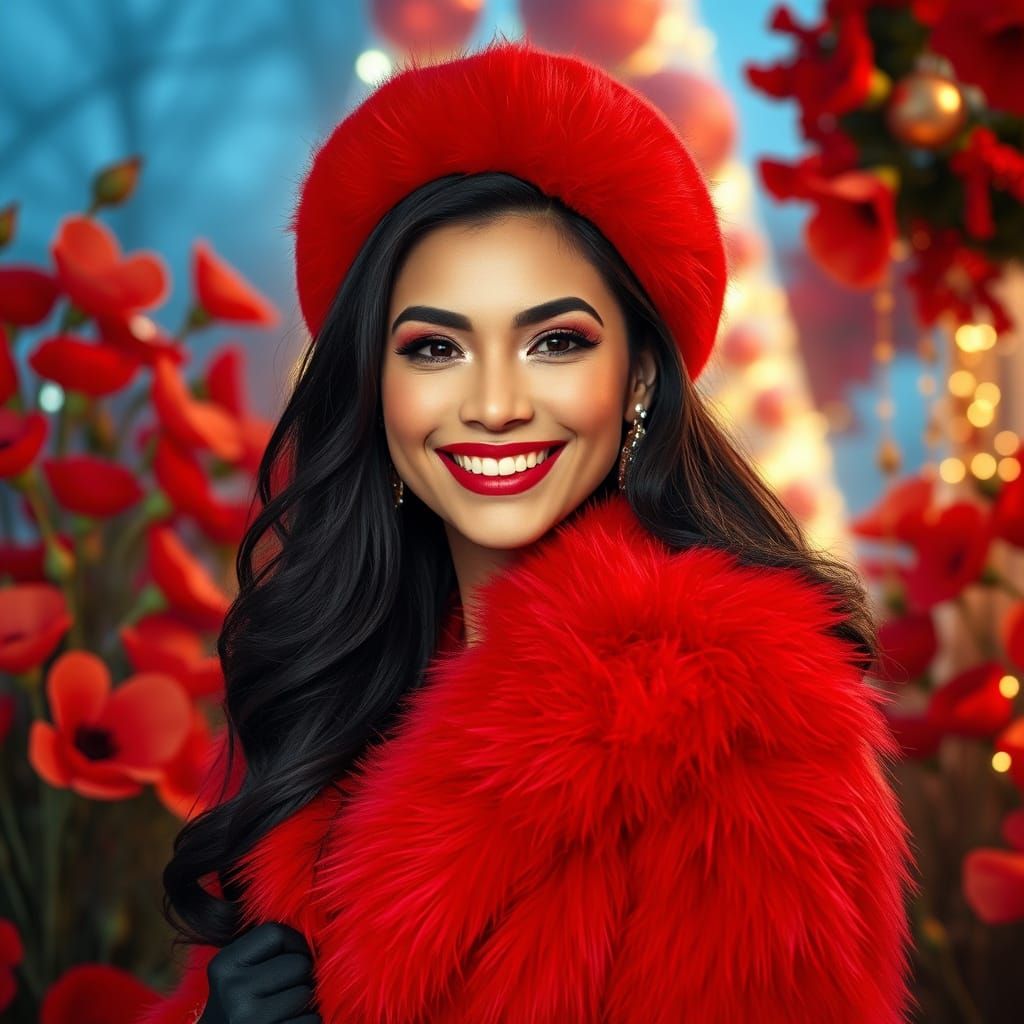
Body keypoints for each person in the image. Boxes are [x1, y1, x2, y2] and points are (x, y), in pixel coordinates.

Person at [138, 37, 917, 1024]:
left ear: (638, 375)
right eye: (434, 347)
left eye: (554, 342)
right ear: (377, 388)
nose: (495, 402)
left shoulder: (746, 730)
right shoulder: (328, 683)